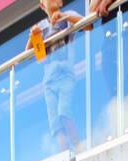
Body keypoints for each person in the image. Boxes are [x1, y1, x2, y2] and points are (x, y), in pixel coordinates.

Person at [29, 1, 84, 152]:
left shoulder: (69, 15)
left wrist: (64, 16)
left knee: (64, 113)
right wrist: (33, 36)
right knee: (56, 124)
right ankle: (64, 154)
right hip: (49, 81)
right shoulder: (40, 26)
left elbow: (88, 25)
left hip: (65, 74)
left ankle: (79, 147)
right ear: (42, 6)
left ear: (60, 2)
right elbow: (31, 55)